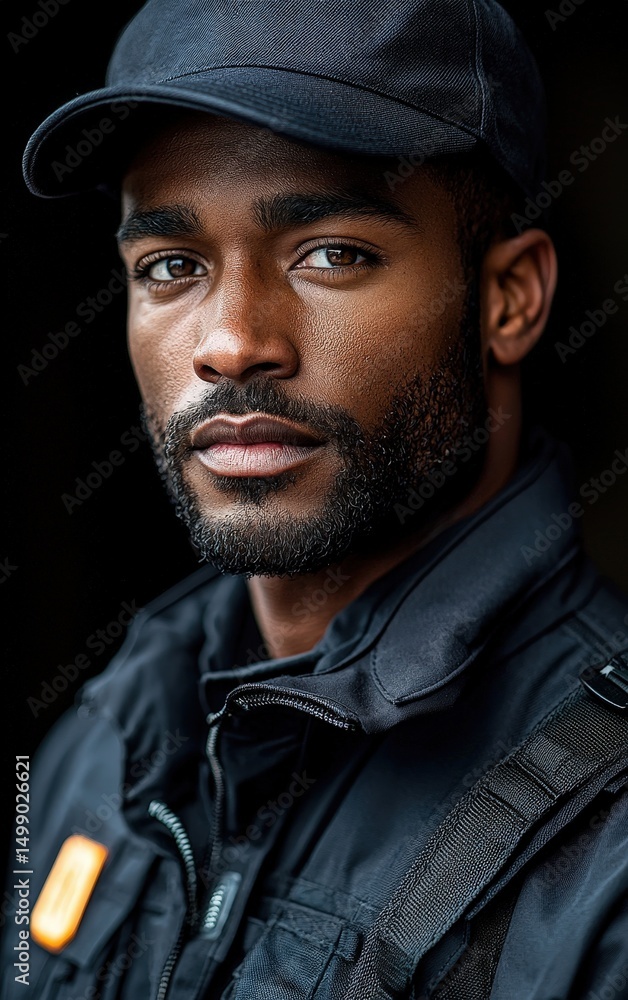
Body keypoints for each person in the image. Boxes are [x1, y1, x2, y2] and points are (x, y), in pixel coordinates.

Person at [4, 0, 628, 997]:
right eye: (172, 267)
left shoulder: (606, 846)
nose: (231, 343)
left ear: (508, 298)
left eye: (331, 253)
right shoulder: (105, 743)